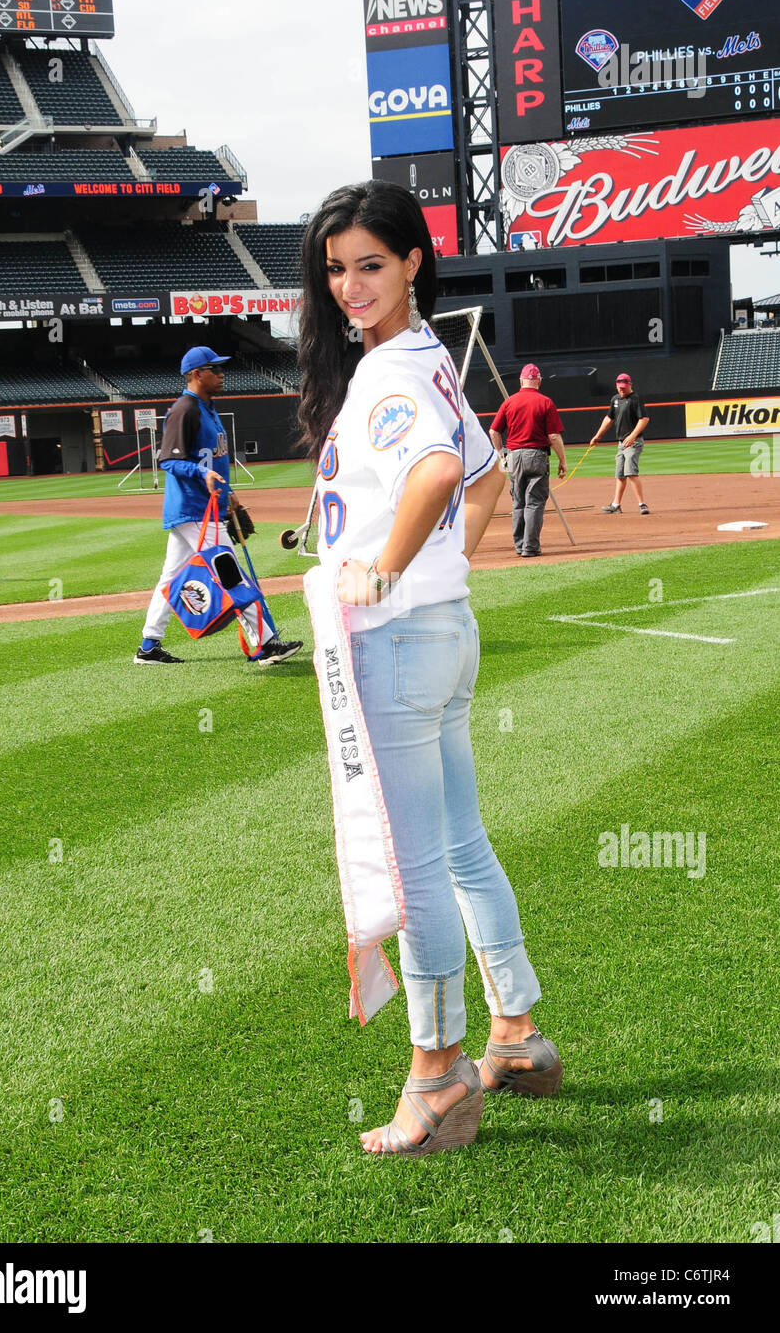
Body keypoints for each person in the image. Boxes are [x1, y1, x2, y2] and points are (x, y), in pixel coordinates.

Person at [297, 181, 561, 1158]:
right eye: (334, 268)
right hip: (440, 629)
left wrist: (388, 569)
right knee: (458, 845)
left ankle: (437, 1076)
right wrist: (439, 573)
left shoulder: (391, 375)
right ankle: (515, 1030)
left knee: (414, 869)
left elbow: (443, 474)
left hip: (398, 637)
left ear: (413, 262)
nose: (348, 285)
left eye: (370, 263)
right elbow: (484, 472)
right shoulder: (426, 359)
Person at [134, 346, 303, 666]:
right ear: (197, 374)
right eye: (215, 369)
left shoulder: (208, 409)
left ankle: (148, 646)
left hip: (205, 507)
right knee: (232, 574)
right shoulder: (185, 410)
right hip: (195, 509)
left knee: (170, 579)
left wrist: (230, 495)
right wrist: (201, 473)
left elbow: (212, 460)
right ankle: (265, 644)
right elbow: (169, 459)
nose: (222, 374)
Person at [488, 365, 567, 556]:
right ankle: (530, 547)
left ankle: (519, 545)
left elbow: (493, 431)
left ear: (521, 381)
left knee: (518, 502)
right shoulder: (546, 402)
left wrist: (501, 454)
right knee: (534, 503)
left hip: (514, 456)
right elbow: (554, 436)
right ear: (538, 381)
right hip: (536, 455)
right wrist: (562, 461)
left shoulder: (509, 402)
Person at [591, 372, 650, 514]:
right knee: (620, 474)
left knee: (630, 473)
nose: (622, 389)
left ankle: (642, 504)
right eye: (619, 387)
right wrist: (597, 436)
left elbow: (644, 419)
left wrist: (633, 436)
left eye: (624, 387)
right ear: (616, 386)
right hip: (621, 443)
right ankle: (616, 505)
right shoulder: (615, 399)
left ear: (630, 385)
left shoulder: (636, 399)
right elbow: (609, 419)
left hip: (634, 442)